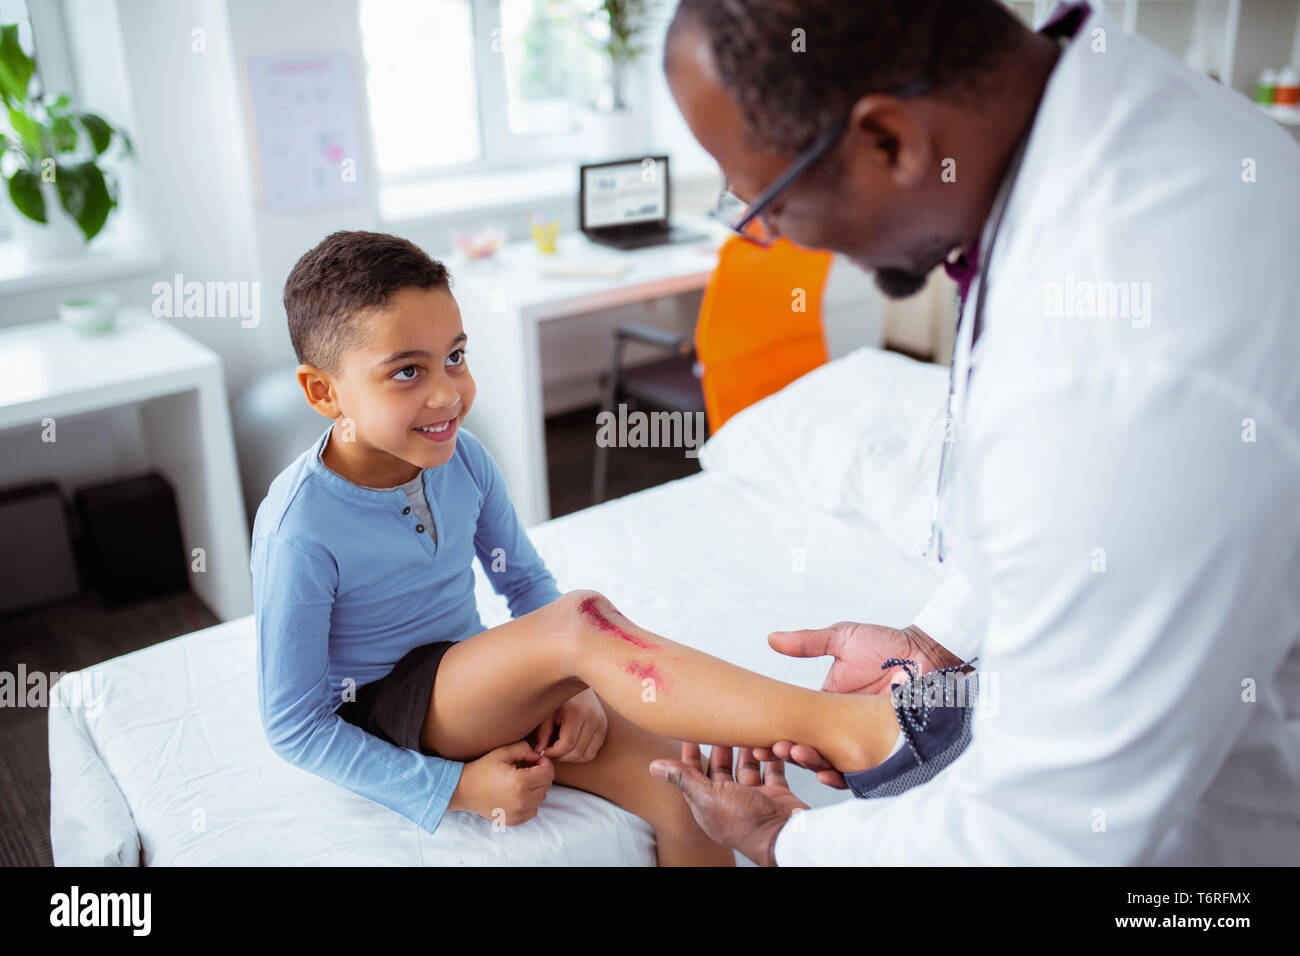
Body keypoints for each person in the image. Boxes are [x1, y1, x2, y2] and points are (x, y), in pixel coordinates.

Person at [649, 0, 1300, 866]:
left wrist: (789, 842)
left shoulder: (1116, 367)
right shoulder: (1113, 101)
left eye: (767, 200)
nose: (766, 234)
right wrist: (935, 641)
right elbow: (1097, 522)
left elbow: (1046, 836)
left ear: (889, 142)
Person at [252, 229, 936, 866]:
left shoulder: (466, 461)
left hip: (472, 684)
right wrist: (453, 787)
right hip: (386, 709)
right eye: (406, 372)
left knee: (687, 789)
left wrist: (572, 689)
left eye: (455, 357)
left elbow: (522, 584)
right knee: (583, 621)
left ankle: (846, 731)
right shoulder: (301, 528)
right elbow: (294, 725)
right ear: (323, 391)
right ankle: (854, 728)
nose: (446, 393)